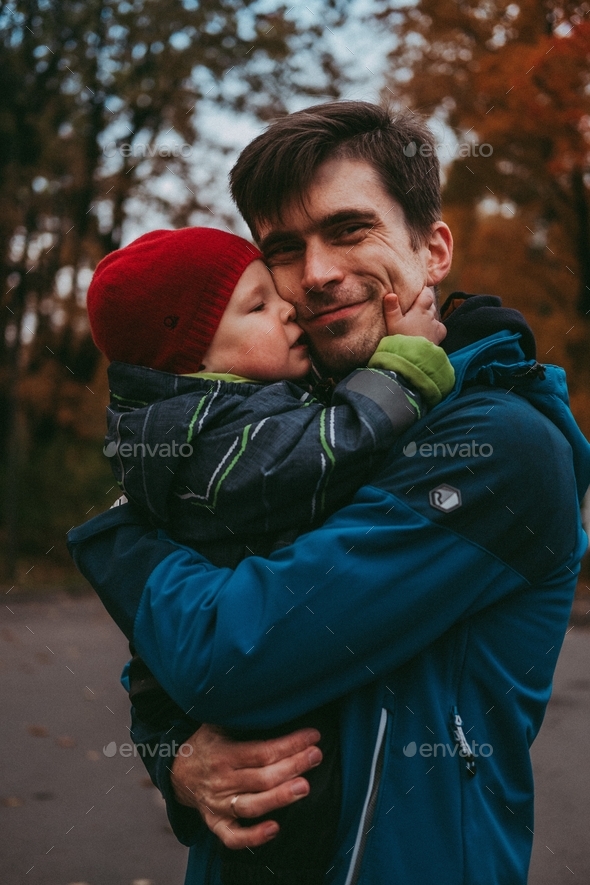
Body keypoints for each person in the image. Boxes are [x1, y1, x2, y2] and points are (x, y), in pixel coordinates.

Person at [68, 101, 590, 885]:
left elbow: (232, 655)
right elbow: (176, 653)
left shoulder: (497, 447)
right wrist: (176, 754)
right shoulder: (281, 428)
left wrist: (121, 539)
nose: (314, 274)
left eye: (349, 230)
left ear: (434, 248)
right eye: (283, 248)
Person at [83, 224, 454, 885]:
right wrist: (403, 366)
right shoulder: (216, 442)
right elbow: (329, 449)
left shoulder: (215, 413)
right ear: (192, 362)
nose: (290, 304)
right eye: (256, 305)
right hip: (279, 748)